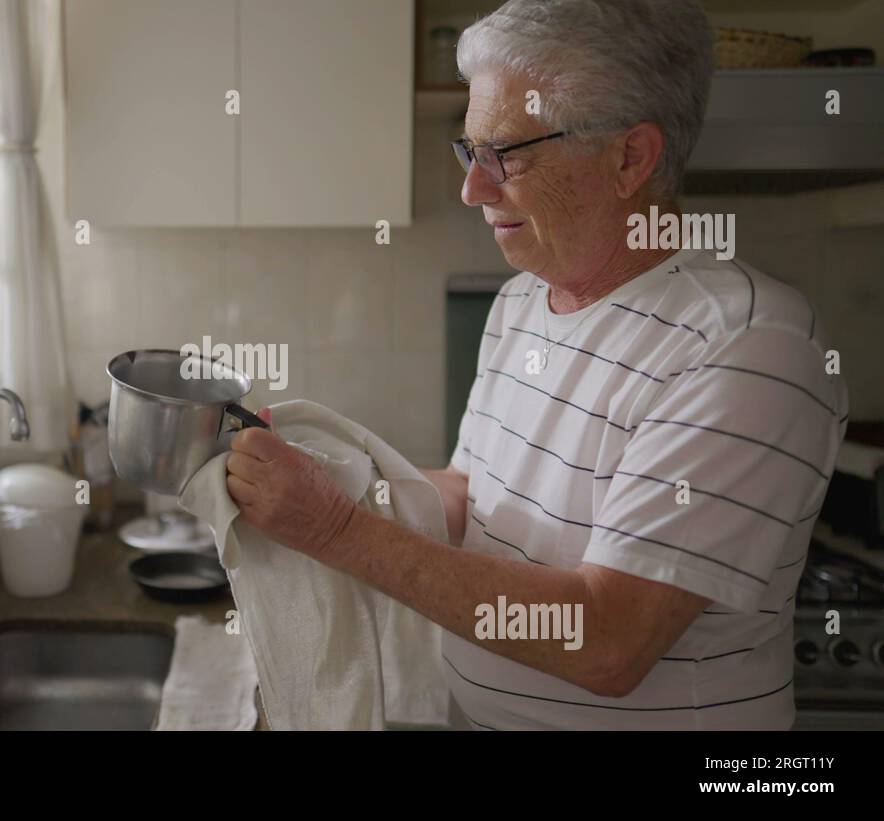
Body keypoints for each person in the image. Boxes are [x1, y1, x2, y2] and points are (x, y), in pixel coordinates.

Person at [224, 0, 848, 729]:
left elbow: (608, 639)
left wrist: (335, 528)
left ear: (630, 158)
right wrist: (330, 478)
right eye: (470, 150)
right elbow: (467, 496)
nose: (473, 189)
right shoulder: (523, 301)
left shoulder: (746, 341)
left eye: (506, 154)